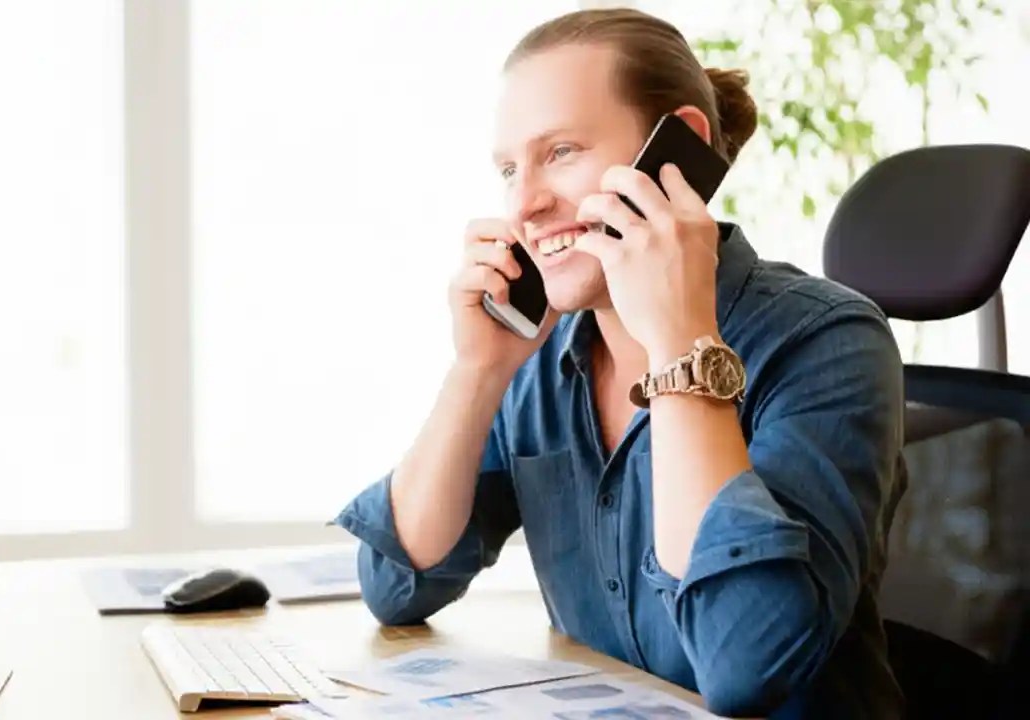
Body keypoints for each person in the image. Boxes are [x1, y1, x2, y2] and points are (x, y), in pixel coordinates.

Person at [333, 8, 906, 719]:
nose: (525, 203)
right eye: (510, 168)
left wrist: (678, 339)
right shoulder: (542, 359)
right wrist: (477, 372)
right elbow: (397, 585)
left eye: (562, 151)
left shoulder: (826, 340)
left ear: (678, 153)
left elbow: (747, 667)